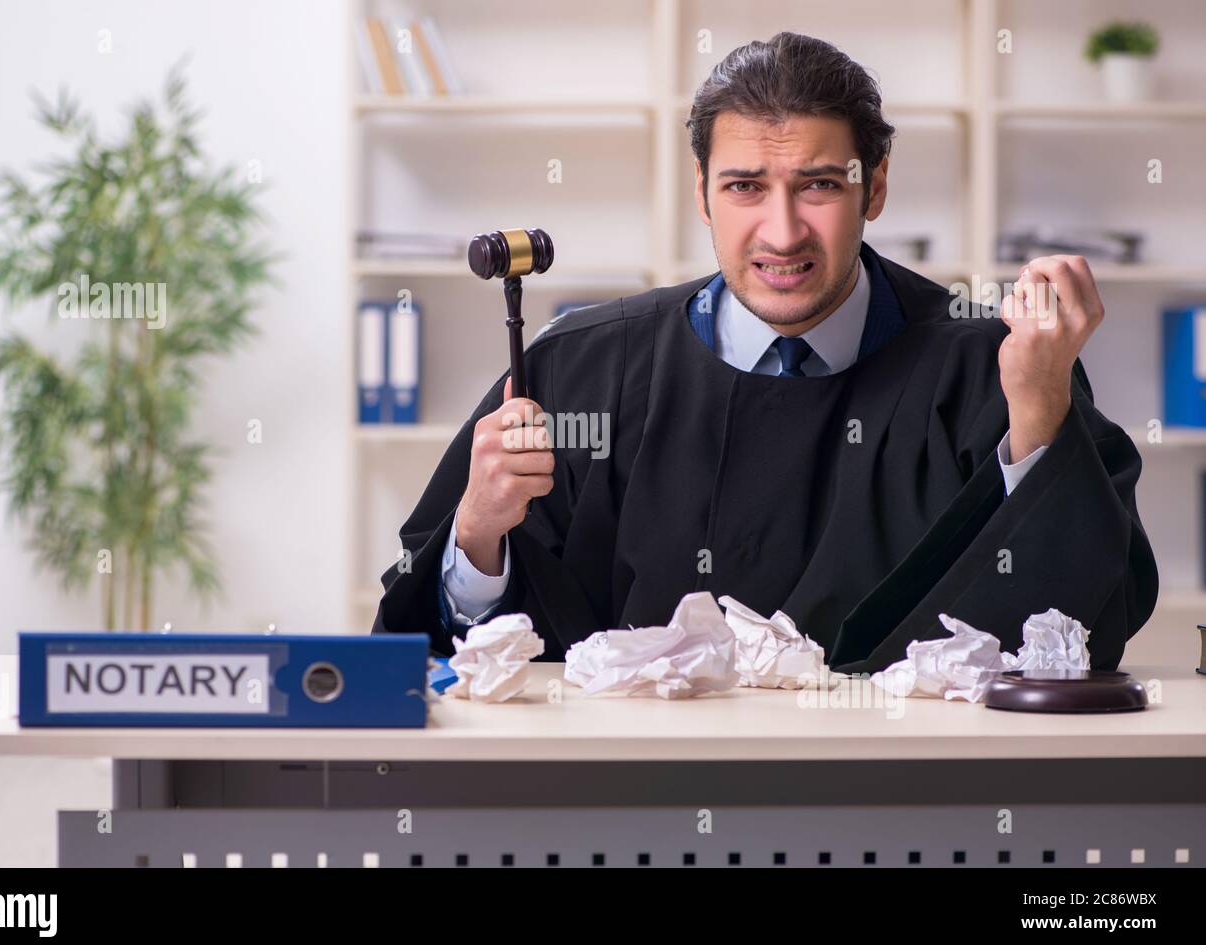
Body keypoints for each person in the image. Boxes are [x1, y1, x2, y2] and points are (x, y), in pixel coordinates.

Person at [372, 33, 1158, 674]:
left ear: (874, 189)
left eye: (818, 185)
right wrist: (476, 535)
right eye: (746, 187)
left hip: (905, 798)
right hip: (627, 800)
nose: (783, 234)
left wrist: (1039, 420)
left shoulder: (996, 366)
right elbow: (440, 650)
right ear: (702, 193)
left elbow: (1091, 628)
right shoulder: (579, 375)